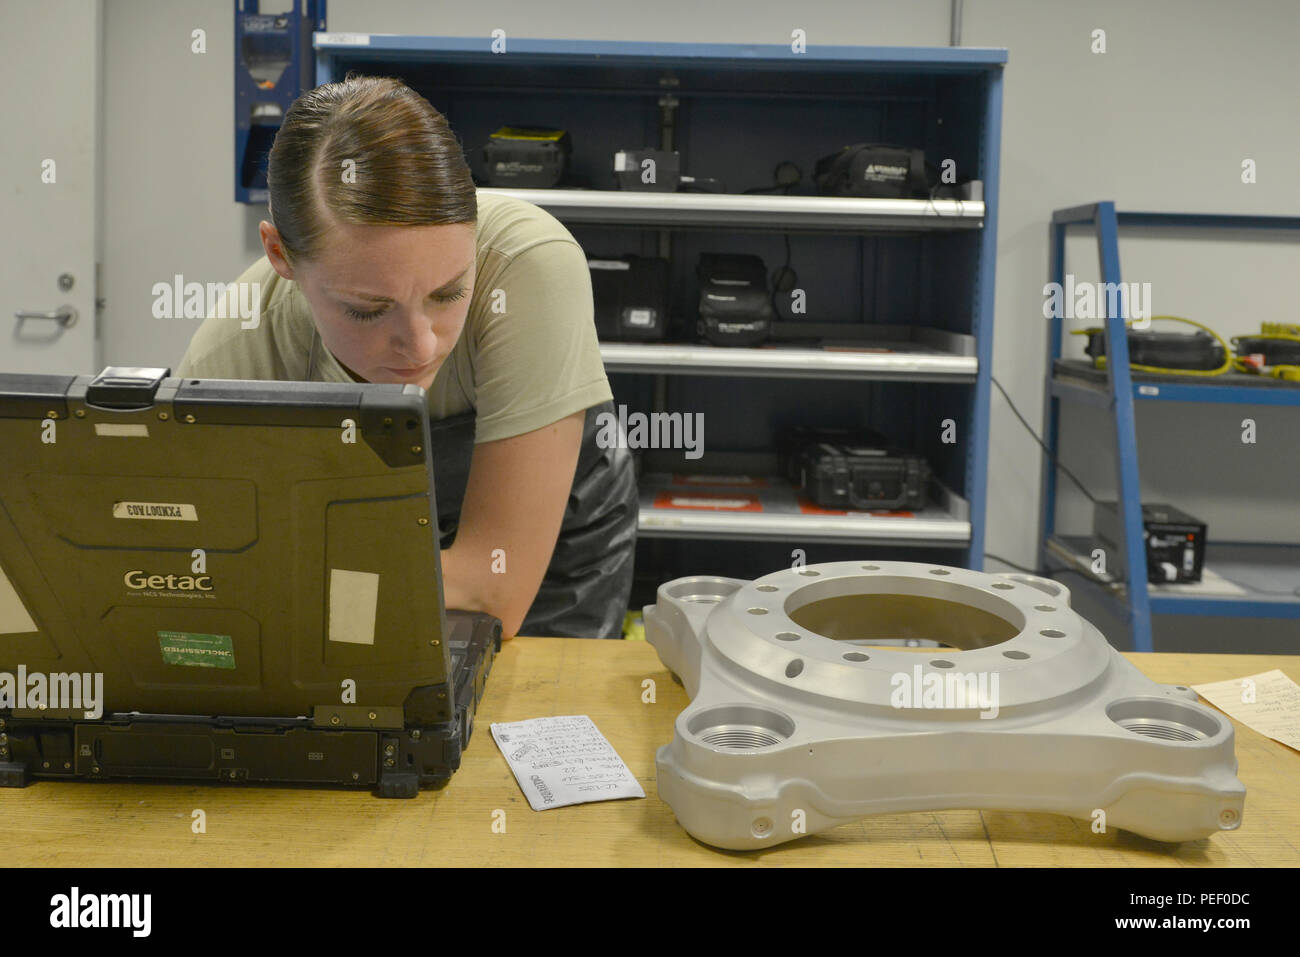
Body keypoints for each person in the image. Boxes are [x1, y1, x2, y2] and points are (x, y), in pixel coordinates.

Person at [176, 75, 636, 640]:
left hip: (551, 537)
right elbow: (207, 580)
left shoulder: (529, 265)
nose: (421, 347)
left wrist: (278, 583)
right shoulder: (235, 354)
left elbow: (493, 588)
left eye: (447, 295)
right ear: (280, 254)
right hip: (356, 546)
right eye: (369, 310)